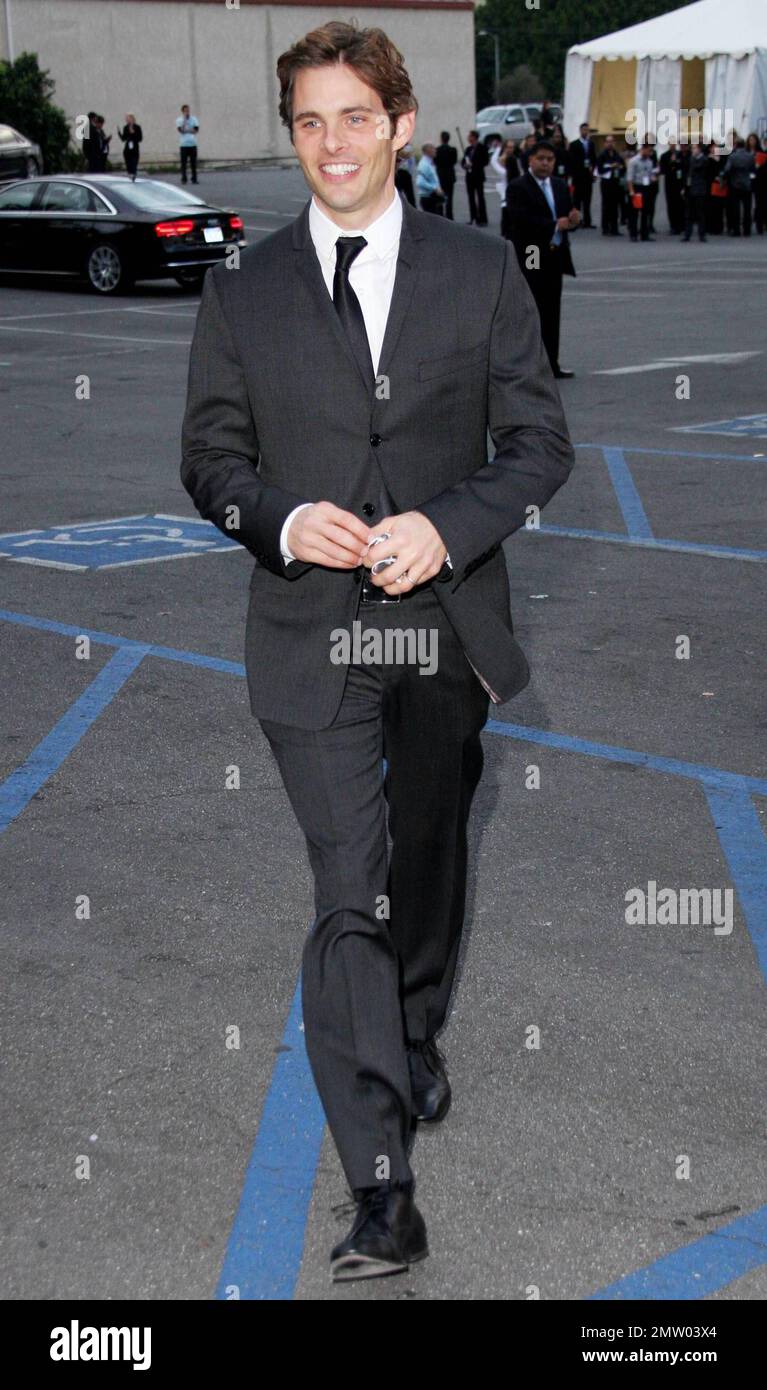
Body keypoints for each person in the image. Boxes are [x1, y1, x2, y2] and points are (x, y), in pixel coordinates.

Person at [180, 19, 574, 1284]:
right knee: (348, 889)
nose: (332, 142)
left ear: (401, 126)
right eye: (308, 119)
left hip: (436, 627)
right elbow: (209, 459)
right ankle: (381, 1186)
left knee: (426, 855)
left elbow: (536, 443)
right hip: (306, 634)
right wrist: (283, 518)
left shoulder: (477, 268)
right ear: (289, 131)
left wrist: (445, 529)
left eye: (356, 116)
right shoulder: (242, 286)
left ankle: (408, 1025)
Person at [506, 138, 580, 379]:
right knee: (532, 309)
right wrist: (553, 225)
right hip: (531, 253)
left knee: (552, 311)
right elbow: (519, 221)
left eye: (550, 159)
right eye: (541, 159)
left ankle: (552, 363)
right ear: (530, 160)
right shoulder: (519, 186)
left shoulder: (559, 185)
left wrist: (572, 221)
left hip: (555, 255)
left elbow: (565, 218)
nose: (546, 163)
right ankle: (529, 365)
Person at [724, 138, 756, 236]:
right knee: (747, 208)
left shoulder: (732, 156)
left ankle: (736, 230)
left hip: (735, 184)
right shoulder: (750, 156)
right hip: (746, 184)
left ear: (736, 145)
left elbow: (727, 169)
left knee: (736, 209)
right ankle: (747, 230)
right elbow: (753, 169)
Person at [626, 141, 657, 241]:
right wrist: (631, 191)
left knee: (646, 212)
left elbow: (650, 174)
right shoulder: (633, 161)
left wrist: (653, 178)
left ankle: (644, 234)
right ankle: (633, 234)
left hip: (646, 187)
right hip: (637, 187)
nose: (650, 153)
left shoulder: (649, 162)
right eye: (648, 150)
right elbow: (629, 177)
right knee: (634, 212)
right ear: (643, 149)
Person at [595, 134, 625, 235]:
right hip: (606, 184)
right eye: (608, 142)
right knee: (606, 206)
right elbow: (600, 170)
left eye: (612, 142)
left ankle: (614, 228)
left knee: (615, 206)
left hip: (616, 183)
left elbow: (623, 167)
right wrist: (611, 166)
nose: (610, 144)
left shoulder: (617, 155)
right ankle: (605, 228)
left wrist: (620, 168)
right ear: (605, 144)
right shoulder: (602, 156)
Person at [568, 122, 596, 227]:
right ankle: (577, 220)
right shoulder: (574, 144)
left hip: (587, 176)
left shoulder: (591, 144)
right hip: (578, 176)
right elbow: (571, 160)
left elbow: (593, 159)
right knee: (577, 199)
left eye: (587, 130)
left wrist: (593, 172)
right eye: (583, 130)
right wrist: (572, 173)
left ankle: (588, 221)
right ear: (580, 131)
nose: (585, 132)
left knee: (587, 199)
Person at [461, 129, 488, 225]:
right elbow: (463, 162)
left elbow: (485, 161)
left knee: (480, 197)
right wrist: (465, 165)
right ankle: (473, 217)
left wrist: (474, 164)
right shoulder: (468, 149)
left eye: (470, 136)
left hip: (478, 175)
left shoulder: (482, 148)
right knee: (471, 197)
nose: (468, 138)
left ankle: (483, 218)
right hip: (469, 177)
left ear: (474, 137)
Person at [659, 140, 686, 234]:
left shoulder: (680, 154)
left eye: (674, 143)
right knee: (671, 205)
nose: (673, 145)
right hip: (669, 183)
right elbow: (662, 171)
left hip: (679, 183)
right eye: (671, 143)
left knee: (680, 204)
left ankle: (681, 225)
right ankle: (673, 226)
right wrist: (671, 162)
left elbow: (683, 167)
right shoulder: (664, 156)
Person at [682, 143, 708, 242]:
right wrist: (685, 187)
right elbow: (688, 173)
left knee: (700, 213)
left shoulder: (703, 160)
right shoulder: (691, 159)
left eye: (694, 148)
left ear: (700, 149)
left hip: (700, 189)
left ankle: (702, 234)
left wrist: (692, 159)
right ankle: (687, 233)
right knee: (689, 213)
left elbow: (697, 168)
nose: (692, 150)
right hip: (691, 188)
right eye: (692, 148)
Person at [434, 130, 457, 220]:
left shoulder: (437, 150)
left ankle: (440, 215)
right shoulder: (453, 150)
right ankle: (450, 215)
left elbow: (435, 162)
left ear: (441, 139)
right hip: (450, 175)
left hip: (440, 176)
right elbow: (454, 161)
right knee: (450, 197)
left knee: (440, 197)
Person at [415, 142, 444, 214]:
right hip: (428, 198)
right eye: (433, 148)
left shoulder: (429, 163)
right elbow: (420, 182)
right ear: (428, 150)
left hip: (432, 197)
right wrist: (435, 188)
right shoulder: (424, 164)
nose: (435, 150)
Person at [176, 104, 199, 183]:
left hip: (193, 144)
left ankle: (194, 179)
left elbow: (195, 130)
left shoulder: (194, 119)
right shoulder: (179, 120)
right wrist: (185, 121)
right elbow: (181, 130)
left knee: (193, 163)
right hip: (184, 144)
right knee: (184, 163)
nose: (187, 112)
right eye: (186, 110)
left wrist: (188, 130)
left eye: (188, 110)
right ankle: (184, 178)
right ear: (183, 111)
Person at [118, 114, 142, 179]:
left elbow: (140, 139)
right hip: (127, 149)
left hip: (135, 148)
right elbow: (123, 139)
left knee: (134, 162)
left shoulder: (137, 127)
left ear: (132, 119)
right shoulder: (125, 127)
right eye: (126, 119)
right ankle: (129, 174)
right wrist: (119, 133)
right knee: (128, 162)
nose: (127, 120)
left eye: (128, 119)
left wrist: (133, 133)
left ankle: (133, 174)